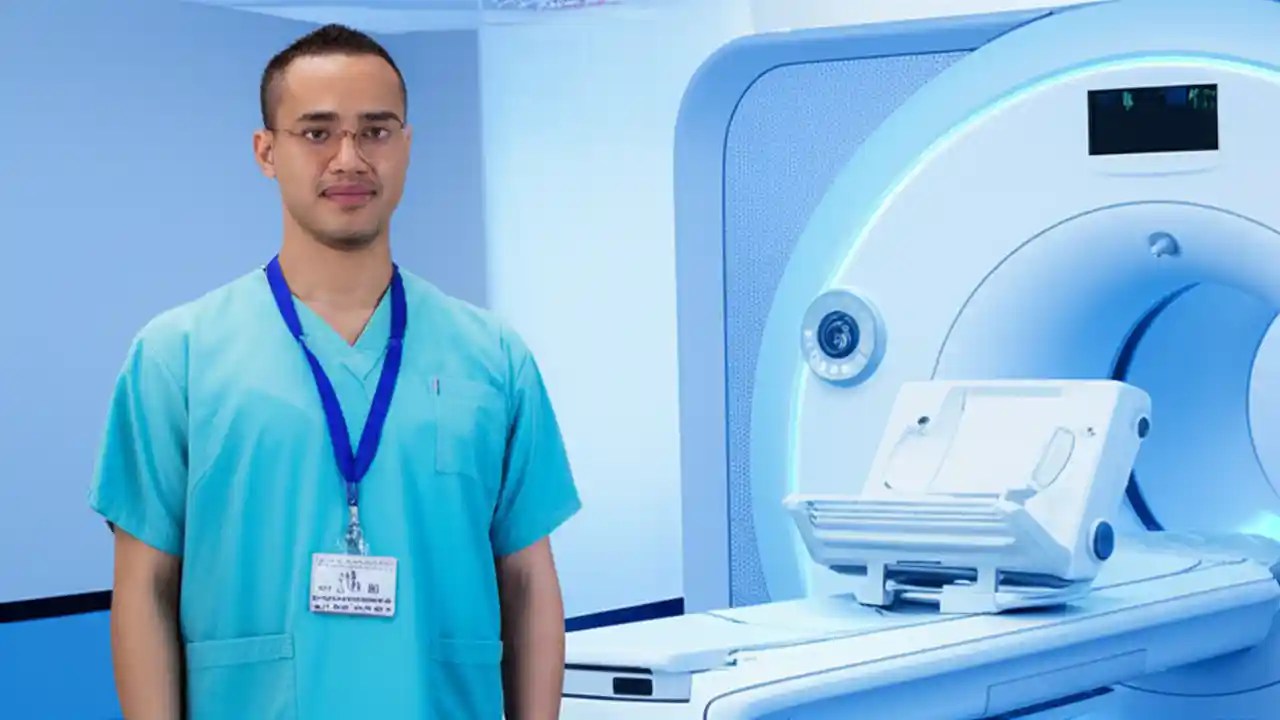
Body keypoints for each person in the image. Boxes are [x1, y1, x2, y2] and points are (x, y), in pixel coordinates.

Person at [88, 23, 581, 720]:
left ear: (407, 146)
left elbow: (528, 584)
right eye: (316, 133)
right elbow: (144, 591)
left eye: (375, 131)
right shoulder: (178, 356)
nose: (349, 159)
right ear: (266, 151)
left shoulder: (494, 358)